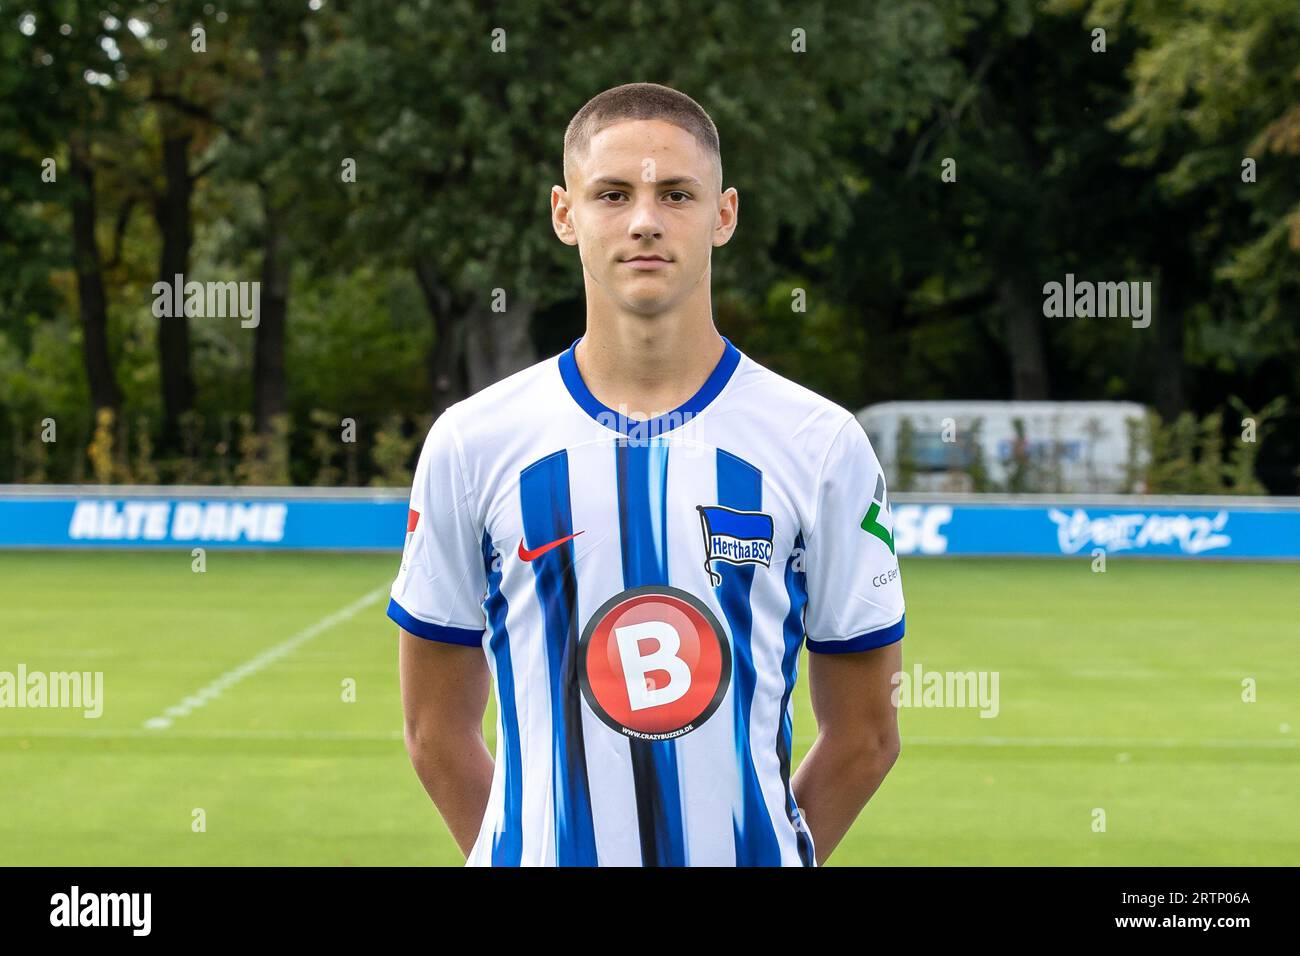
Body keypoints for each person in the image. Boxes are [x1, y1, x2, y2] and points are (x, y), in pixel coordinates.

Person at [389, 82, 905, 866]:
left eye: (676, 194)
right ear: (565, 214)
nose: (644, 221)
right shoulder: (473, 442)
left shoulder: (820, 443)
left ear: (723, 214)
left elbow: (865, 737)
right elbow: (434, 729)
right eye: (612, 194)